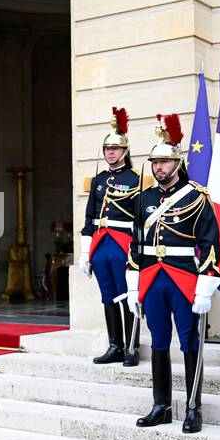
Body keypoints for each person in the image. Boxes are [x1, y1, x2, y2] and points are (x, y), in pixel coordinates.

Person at [124, 113, 220, 433]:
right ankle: (161, 405)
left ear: (177, 163)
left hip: (183, 277)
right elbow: (136, 243)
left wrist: (205, 287)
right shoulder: (144, 199)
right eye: (155, 162)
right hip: (152, 278)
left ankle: (193, 406)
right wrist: (132, 284)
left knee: (189, 342)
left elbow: (210, 244)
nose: (159, 168)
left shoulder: (196, 196)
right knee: (158, 342)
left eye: (165, 162)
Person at [80, 107, 141, 366]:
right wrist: (85, 251)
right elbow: (89, 217)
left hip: (122, 243)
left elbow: (139, 220)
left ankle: (131, 346)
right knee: (108, 295)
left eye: (115, 148)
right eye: (107, 149)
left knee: (127, 295)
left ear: (125, 151)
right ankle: (115, 345)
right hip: (100, 245)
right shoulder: (99, 180)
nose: (111, 153)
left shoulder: (135, 179)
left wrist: (138, 251)